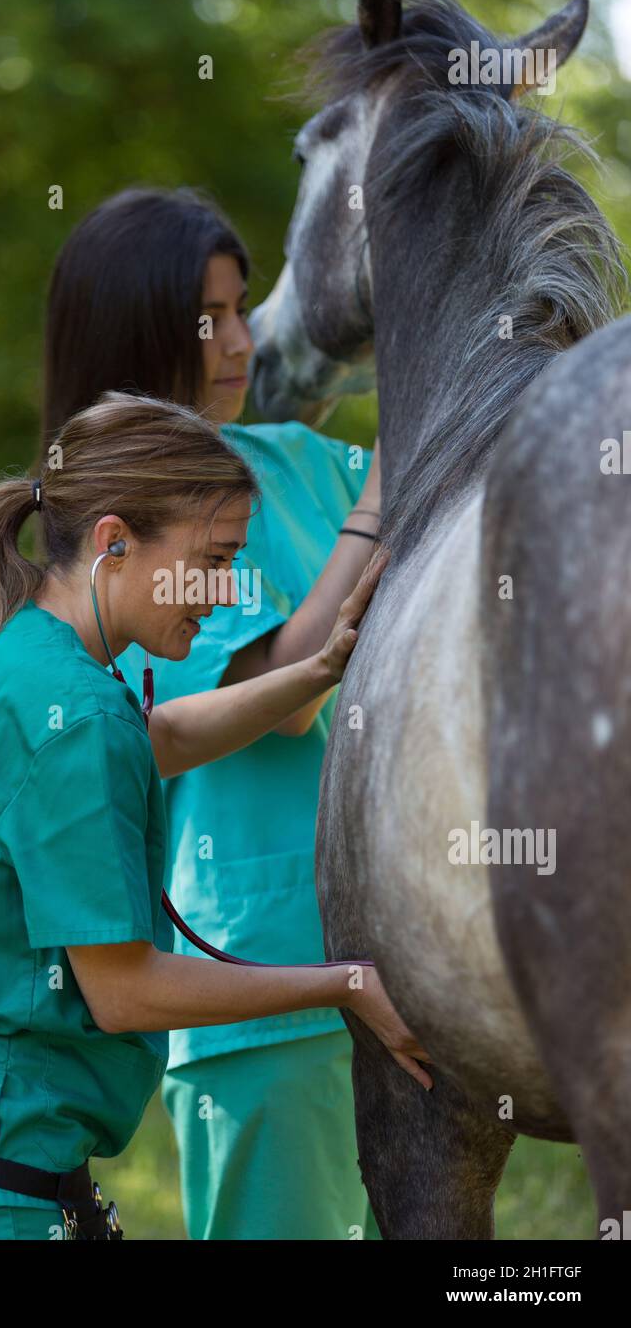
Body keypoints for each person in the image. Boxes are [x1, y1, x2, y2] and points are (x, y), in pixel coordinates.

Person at [0, 394, 429, 1241]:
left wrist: (320, 666)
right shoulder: (76, 717)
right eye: (213, 560)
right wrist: (345, 982)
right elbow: (125, 992)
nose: (225, 590)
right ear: (113, 541)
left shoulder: (4, 651)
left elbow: (152, 738)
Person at [42, 188, 391, 1240]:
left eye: (241, 310)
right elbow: (278, 690)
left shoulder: (297, 459)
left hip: (388, 961)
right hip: (256, 980)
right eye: (210, 319)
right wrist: (379, 504)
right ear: (133, 326)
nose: (242, 341)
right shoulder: (141, 517)